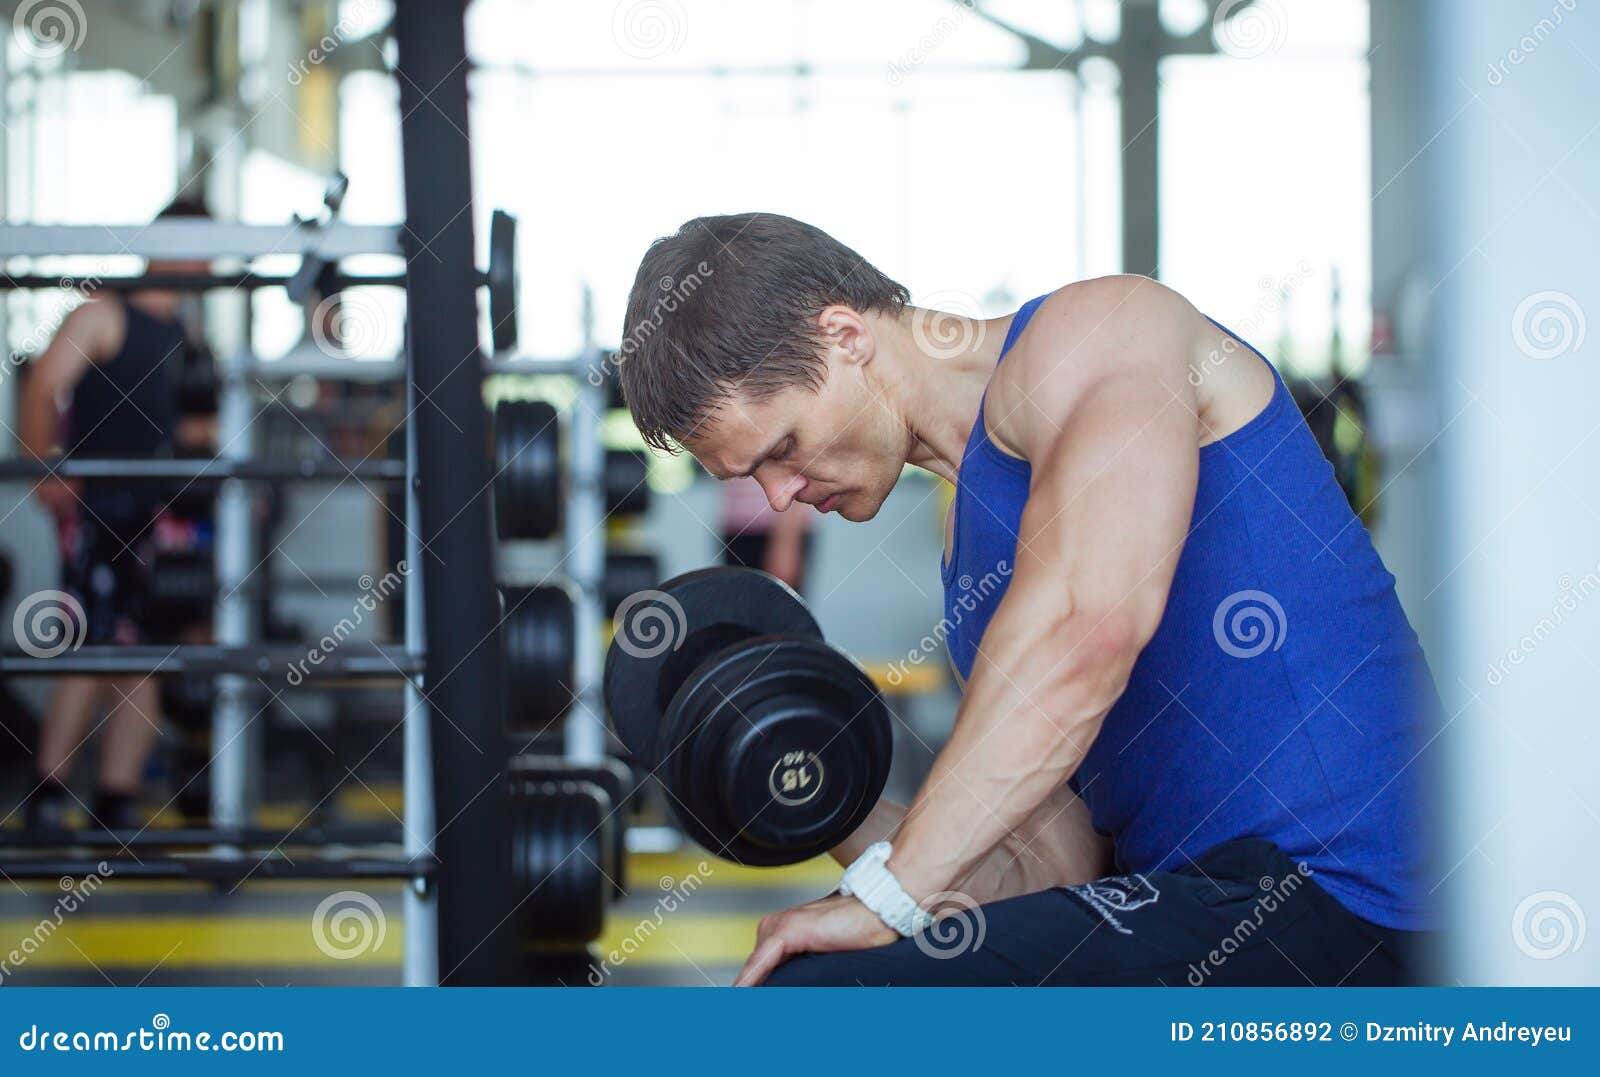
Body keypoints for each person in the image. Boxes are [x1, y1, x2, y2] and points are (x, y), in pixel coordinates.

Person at [617, 213, 1443, 986]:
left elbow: (1087, 631)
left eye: (783, 448)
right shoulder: (971, 557)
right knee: (817, 976)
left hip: (1350, 899)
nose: (781, 494)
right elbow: (1048, 862)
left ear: (844, 336)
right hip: (1204, 901)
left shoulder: (1101, 331)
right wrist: (805, 783)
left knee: (835, 998)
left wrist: (883, 896)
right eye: (752, 477)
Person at [19, 195, 214, 830]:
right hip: (101, 505)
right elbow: (45, 386)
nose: (204, 263)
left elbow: (198, 426)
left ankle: (114, 798)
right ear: (162, 247)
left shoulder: (189, 337)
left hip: (161, 515)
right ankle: (51, 793)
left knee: (146, 648)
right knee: (95, 642)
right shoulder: (102, 314)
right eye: (195, 247)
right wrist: (45, 465)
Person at [719, 474, 814, 593]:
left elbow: (800, 472)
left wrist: (786, 542)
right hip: (735, 528)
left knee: (779, 606)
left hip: (775, 531)